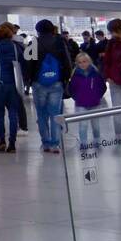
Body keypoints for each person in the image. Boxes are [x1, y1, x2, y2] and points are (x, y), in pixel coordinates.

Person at [31, 19, 72, 153]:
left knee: (42, 115)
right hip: (56, 82)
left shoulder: (34, 43)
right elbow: (67, 61)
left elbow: (27, 64)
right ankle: (55, 144)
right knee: (55, 114)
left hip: (38, 83)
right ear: (52, 29)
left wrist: (30, 80)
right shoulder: (60, 42)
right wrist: (65, 78)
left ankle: (46, 143)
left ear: (38, 30)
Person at [0, 23, 23, 153]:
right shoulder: (14, 46)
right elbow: (21, 62)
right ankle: (12, 143)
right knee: (13, 113)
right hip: (12, 84)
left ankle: (2, 140)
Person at [68, 51, 107, 148]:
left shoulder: (96, 74)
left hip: (95, 104)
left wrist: (97, 96)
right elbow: (71, 89)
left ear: (89, 61)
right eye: (80, 62)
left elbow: (103, 87)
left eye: (84, 61)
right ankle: (83, 144)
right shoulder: (75, 75)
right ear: (77, 63)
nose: (82, 64)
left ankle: (97, 142)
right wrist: (77, 98)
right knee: (83, 125)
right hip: (81, 104)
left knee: (96, 126)